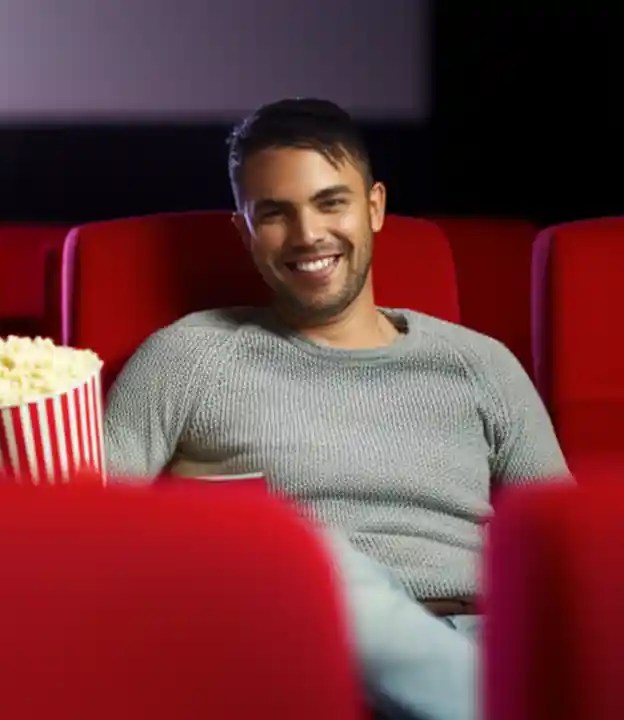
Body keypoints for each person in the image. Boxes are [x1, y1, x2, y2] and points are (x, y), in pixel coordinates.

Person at [102, 98, 571, 719]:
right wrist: (196, 526)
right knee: (318, 564)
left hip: (477, 640)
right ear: (243, 231)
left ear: (374, 207)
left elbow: (567, 549)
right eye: (274, 214)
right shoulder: (188, 356)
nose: (308, 236)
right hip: (291, 651)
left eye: (331, 203)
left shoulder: (478, 365)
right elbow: (88, 543)